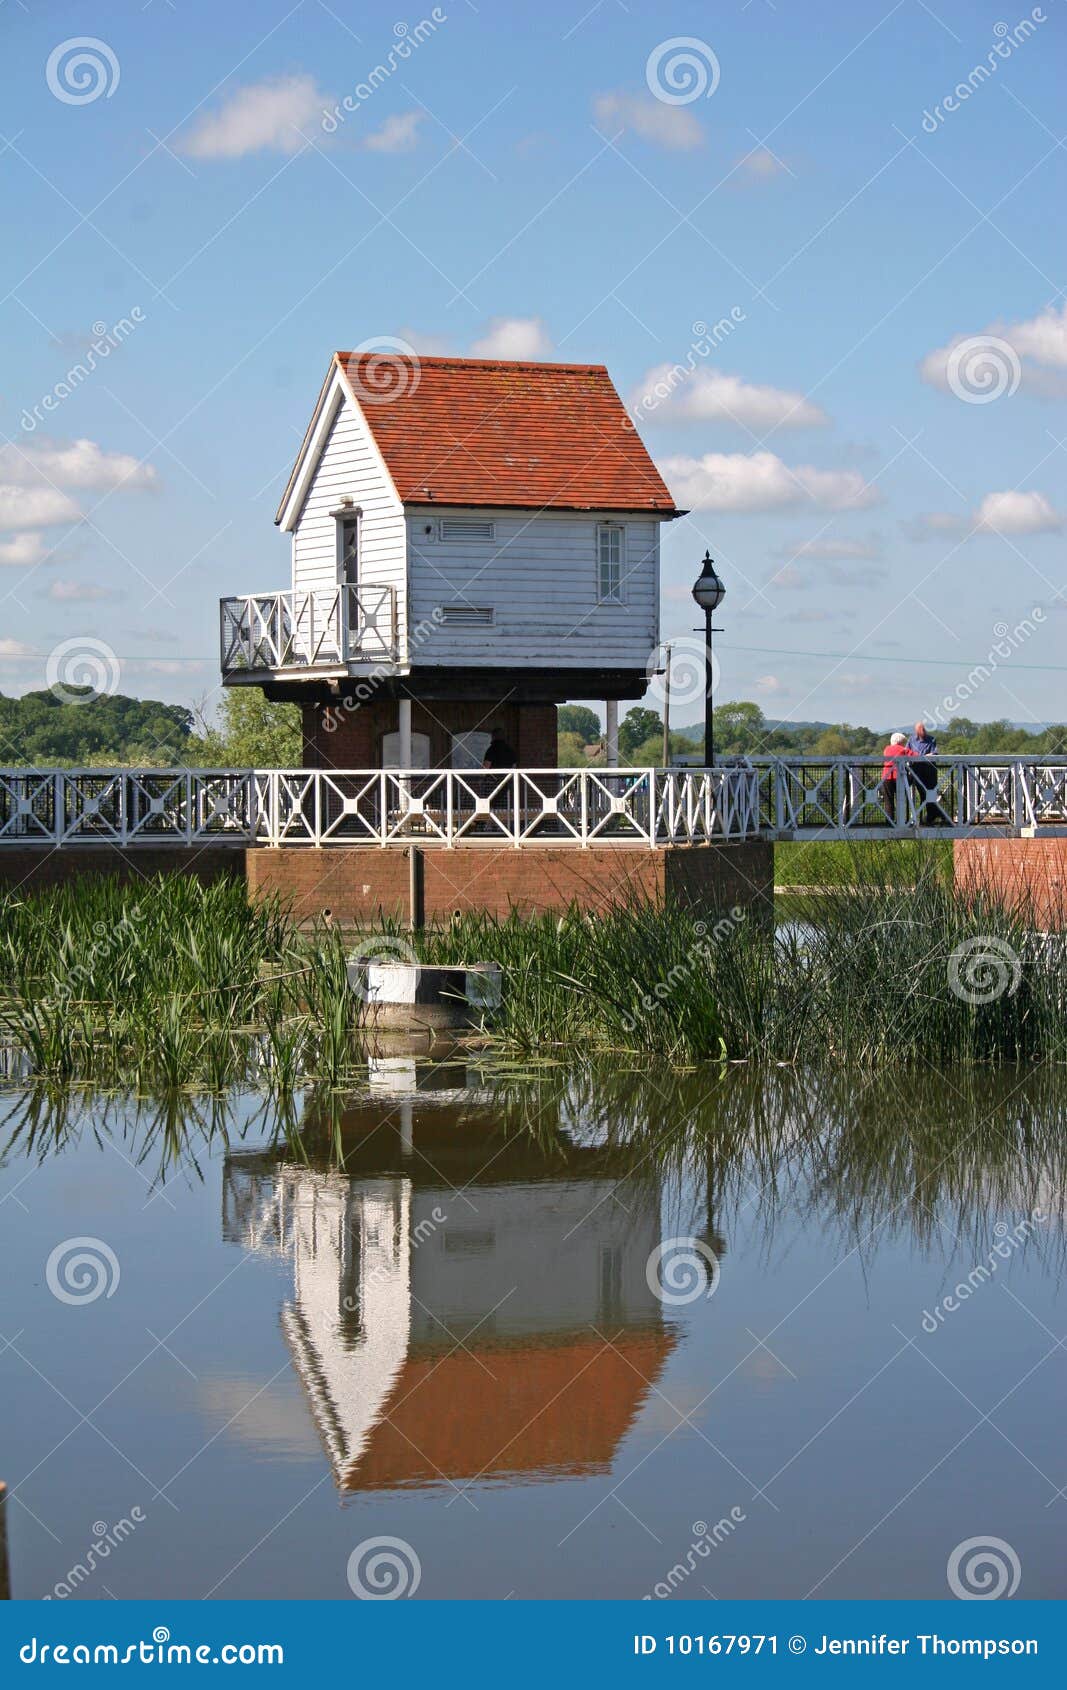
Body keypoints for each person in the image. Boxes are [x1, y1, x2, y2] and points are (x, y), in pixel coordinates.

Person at [906, 720, 941, 824]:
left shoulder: (931, 739)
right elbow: (906, 752)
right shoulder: (911, 740)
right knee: (923, 794)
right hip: (917, 770)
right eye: (921, 730)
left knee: (931, 793)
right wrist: (914, 756)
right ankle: (928, 816)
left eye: (924, 729)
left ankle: (931, 816)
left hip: (929, 769)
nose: (923, 731)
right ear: (916, 731)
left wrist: (925, 756)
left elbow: (935, 753)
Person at [879, 732, 913, 820]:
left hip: (886, 777)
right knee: (900, 800)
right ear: (900, 742)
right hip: (899, 777)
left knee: (888, 801)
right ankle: (901, 820)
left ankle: (889, 821)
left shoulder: (886, 749)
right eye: (904, 742)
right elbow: (915, 756)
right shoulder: (903, 749)